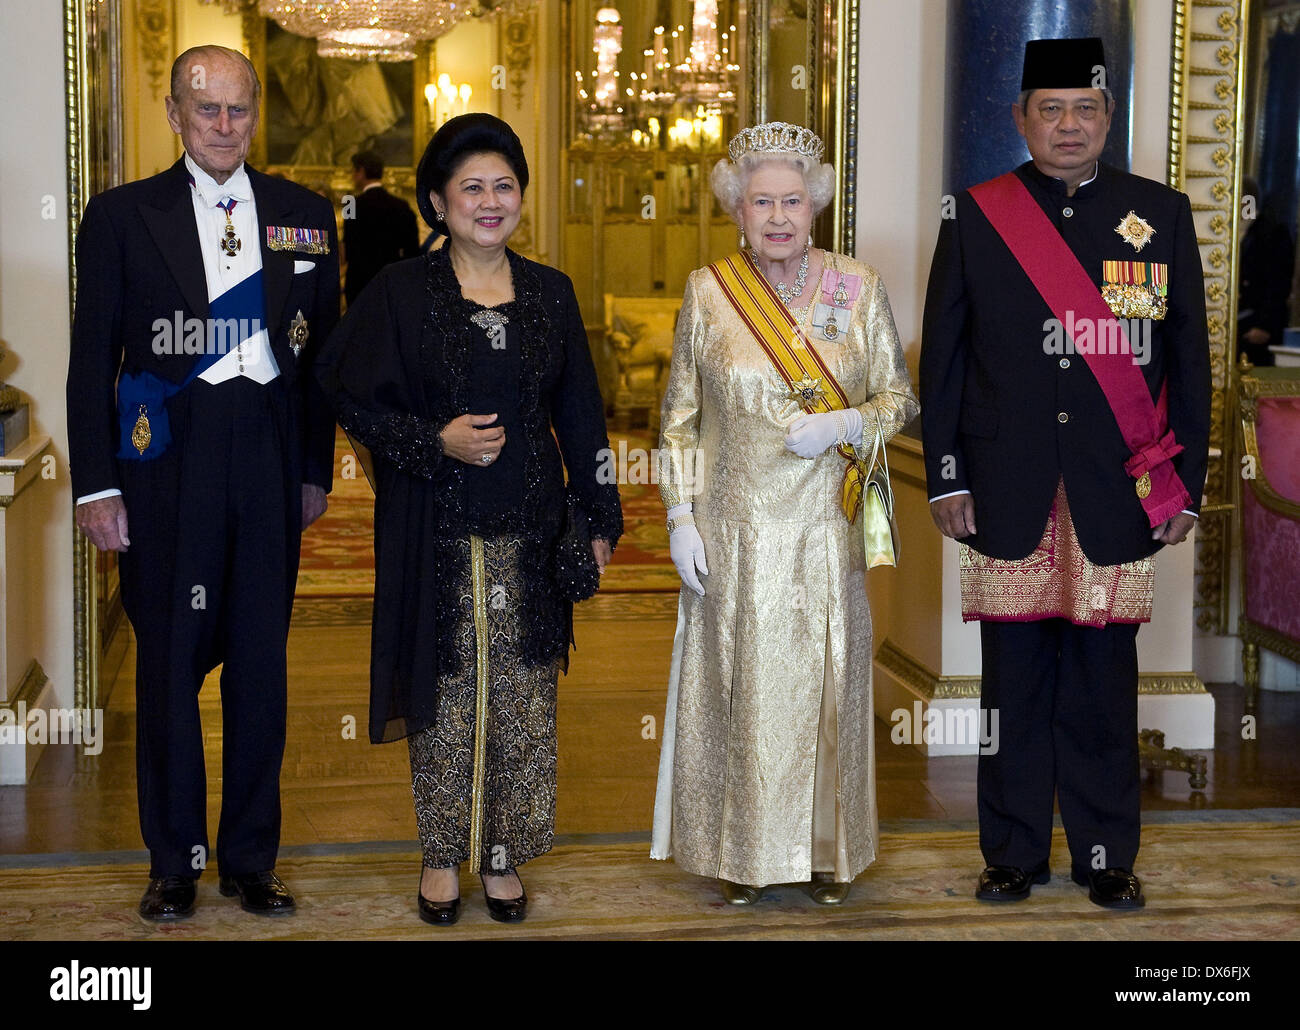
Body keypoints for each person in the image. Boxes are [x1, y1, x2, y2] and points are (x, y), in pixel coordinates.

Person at [920, 37, 1211, 909]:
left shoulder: (1158, 213)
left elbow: (1189, 360)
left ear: (1108, 117)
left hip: (1118, 487)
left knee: (1100, 684)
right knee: (1011, 680)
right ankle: (1011, 852)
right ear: (1022, 119)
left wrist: (1183, 485)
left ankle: (1103, 856)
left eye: (1086, 109)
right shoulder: (975, 214)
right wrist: (946, 476)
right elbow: (945, 358)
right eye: (1051, 109)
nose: (1070, 124)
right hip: (1005, 487)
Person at [316, 113, 622, 926]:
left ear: (521, 197)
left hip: (531, 523)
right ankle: (441, 853)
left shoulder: (550, 293)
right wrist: (431, 439)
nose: (490, 202)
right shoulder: (401, 293)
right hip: (435, 527)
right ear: (437, 201)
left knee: (522, 698)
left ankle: (502, 853)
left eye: (504, 186)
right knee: (445, 696)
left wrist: (598, 514)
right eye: (472, 188)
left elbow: (583, 415)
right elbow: (339, 387)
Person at [66, 45, 339, 920]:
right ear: (176, 114)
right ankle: (175, 862)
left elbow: (319, 361)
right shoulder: (120, 217)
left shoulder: (303, 213)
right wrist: (95, 487)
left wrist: (310, 469)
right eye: (206, 109)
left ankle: (251, 859)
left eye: (239, 110)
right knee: (171, 666)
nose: (225, 126)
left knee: (261, 666)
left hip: (264, 454)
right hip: (165, 461)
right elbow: (88, 366)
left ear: (256, 113)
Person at [650, 122, 919, 905]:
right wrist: (679, 518)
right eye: (760, 201)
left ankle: (827, 853)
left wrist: (845, 423)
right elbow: (677, 421)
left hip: (821, 532)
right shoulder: (708, 294)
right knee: (741, 695)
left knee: (826, 694)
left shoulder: (855, 287)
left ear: (816, 207)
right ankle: (741, 855)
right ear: (736, 208)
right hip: (731, 531)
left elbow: (898, 397)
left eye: (792, 201)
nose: (776, 217)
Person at [342, 149, 419, 306]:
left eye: (353, 171)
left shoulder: (350, 203)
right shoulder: (402, 205)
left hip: (359, 282)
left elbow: (347, 247)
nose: (352, 176)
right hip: (391, 281)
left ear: (361, 172)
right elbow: (412, 251)